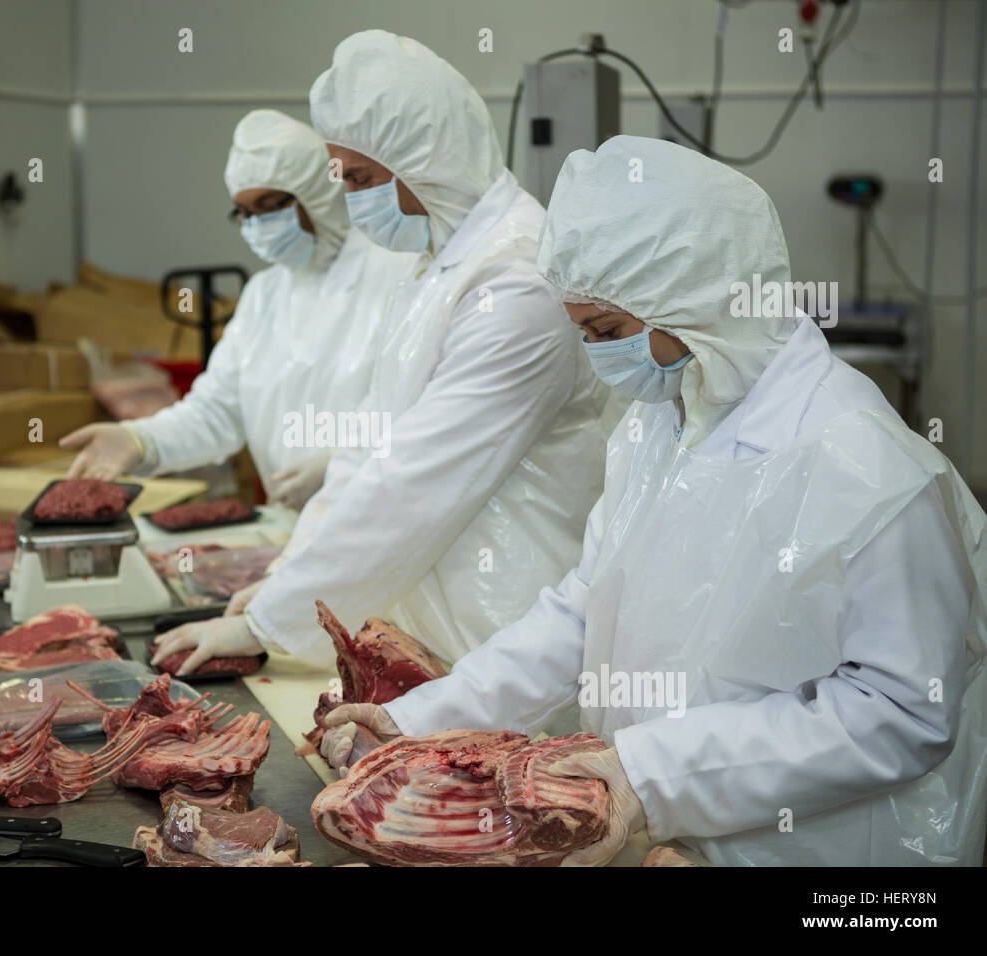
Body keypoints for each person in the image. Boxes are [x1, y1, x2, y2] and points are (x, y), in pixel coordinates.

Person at [325, 135, 987, 867]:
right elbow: (589, 606)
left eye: (607, 332)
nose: (597, 356)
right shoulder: (663, 418)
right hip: (679, 834)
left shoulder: (859, 462)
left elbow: (901, 712)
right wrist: (419, 719)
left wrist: (656, 775)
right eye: (583, 331)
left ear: (697, 304)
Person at [152, 31, 608, 681]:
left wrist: (269, 622)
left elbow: (416, 481)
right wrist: (290, 578)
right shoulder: (435, 268)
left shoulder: (515, 278)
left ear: (427, 159)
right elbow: (370, 452)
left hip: (509, 641)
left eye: (362, 178)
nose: (355, 200)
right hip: (431, 633)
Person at [60, 109, 416, 511]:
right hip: (298, 525)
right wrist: (141, 440)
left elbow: (433, 407)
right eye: (245, 213)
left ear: (317, 193)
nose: (258, 225)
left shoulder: (401, 271)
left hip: (390, 519)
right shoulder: (264, 296)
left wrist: (346, 464)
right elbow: (216, 412)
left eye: (270, 206)